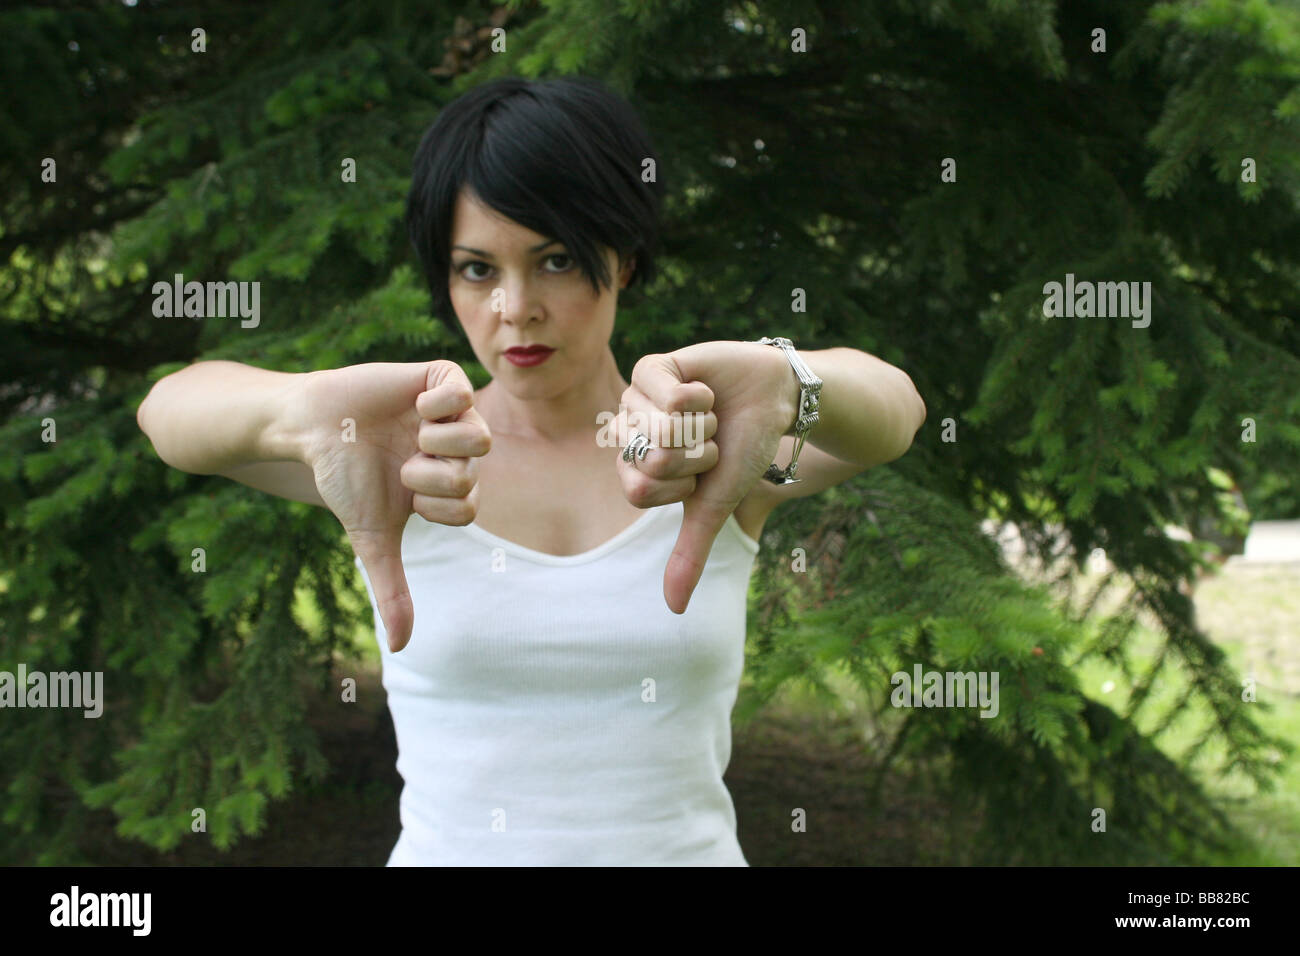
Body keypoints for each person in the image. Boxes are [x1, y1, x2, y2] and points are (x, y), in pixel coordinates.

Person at [136, 75, 927, 866]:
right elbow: (170, 411)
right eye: (477, 269)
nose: (515, 308)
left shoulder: (708, 447)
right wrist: (299, 411)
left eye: (554, 259)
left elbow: (897, 413)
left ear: (622, 257)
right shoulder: (403, 456)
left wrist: (790, 383)